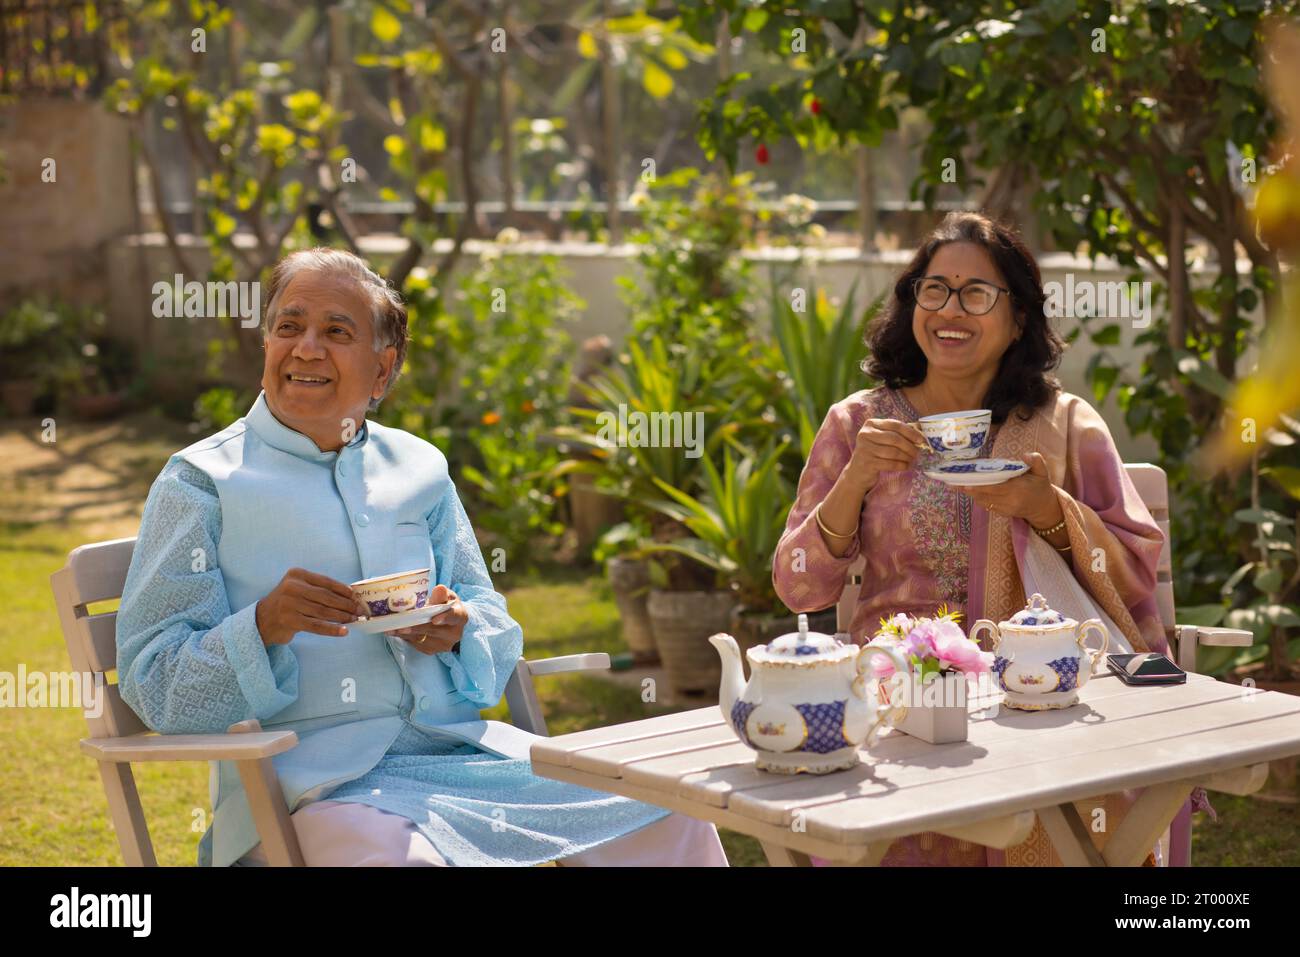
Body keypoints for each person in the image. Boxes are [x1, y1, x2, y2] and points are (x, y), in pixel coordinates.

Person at [116, 247, 728, 867]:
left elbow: (486, 612)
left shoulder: (420, 467)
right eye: (288, 326)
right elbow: (154, 681)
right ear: (267, 344)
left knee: (669, 813)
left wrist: (458, 630)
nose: (306, 348)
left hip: (465, 761)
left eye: (337, 332)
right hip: (311, 791)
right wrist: (262, 627)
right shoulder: (201, 482)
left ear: (382, 371)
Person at [772, 211, 1210, 866]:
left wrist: (1047, 508)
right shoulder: (859, 423)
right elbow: (798, 586)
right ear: (912, 302)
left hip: (1038, 701)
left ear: (1018, 317)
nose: (950, 309)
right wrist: (855, 476)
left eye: (976, 292)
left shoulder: (1065, 424)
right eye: (935, 288)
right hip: (899, 708)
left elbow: (1132, 574)